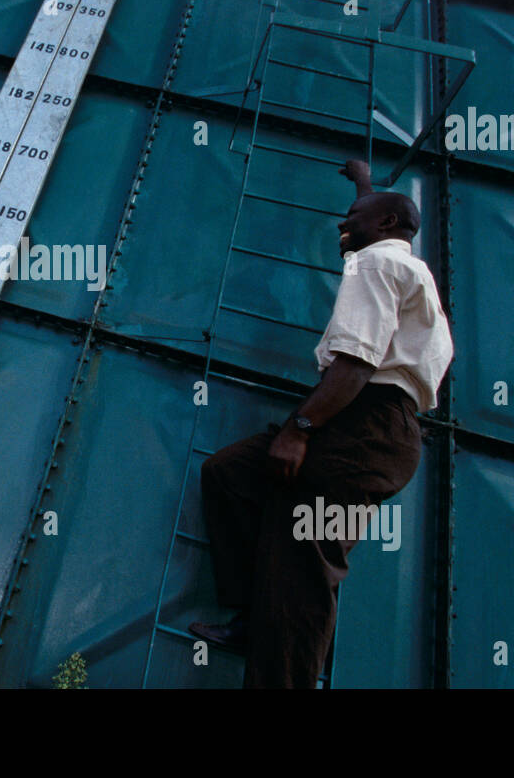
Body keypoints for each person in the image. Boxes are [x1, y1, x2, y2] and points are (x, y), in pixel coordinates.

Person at [189, 158, 452, 688]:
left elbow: (356, 361)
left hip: (363, 423)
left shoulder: (374, 264)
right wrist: (363, 183)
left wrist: (298, 430)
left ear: (381, 227)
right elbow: (383, 214)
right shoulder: (398, 257)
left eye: (352, 217)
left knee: (304, 568)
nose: (342, 224)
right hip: (372, 427)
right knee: (230, 474)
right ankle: (254, 622)